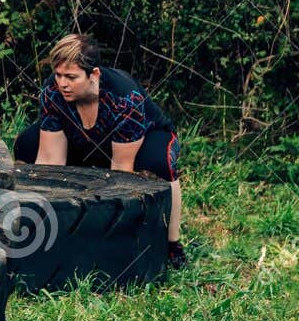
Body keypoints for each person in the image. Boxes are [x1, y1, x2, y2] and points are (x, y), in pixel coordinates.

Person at [14, 33, 187, 268]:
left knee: (160, 161)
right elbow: (50, 161)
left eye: (71, 77)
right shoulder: (53, 92)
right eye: (58, 75)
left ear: (93, 74)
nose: (62, 83)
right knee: (27, 144)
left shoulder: (124, 97)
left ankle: (173, 245)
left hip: (142, 141)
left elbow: (121, 172)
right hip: (88, 141)